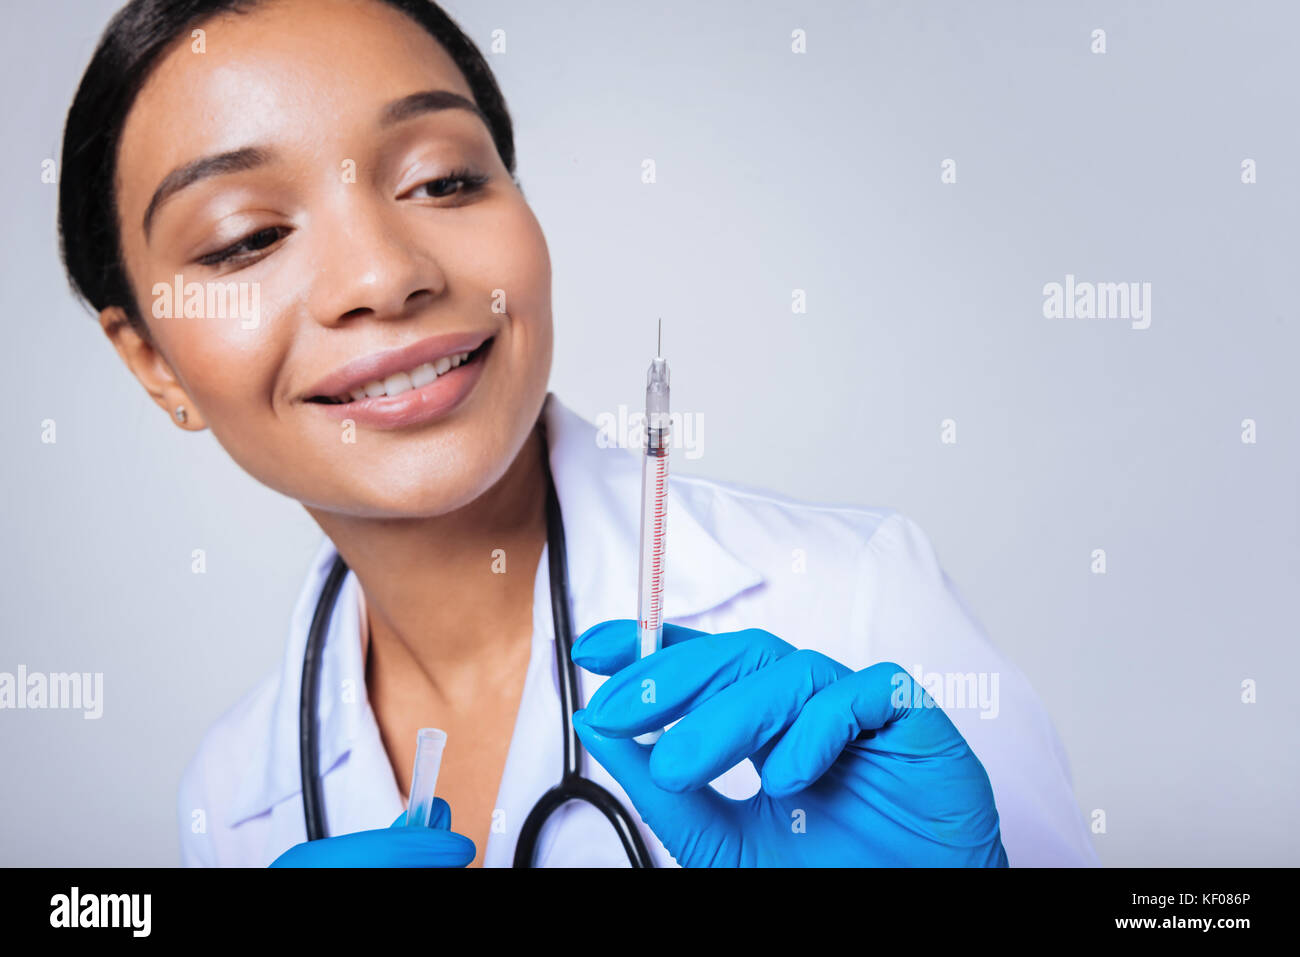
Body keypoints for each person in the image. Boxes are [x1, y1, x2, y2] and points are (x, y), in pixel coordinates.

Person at [58, 0, 1098, 867]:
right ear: (153, 362)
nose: (385, 274)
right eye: (250, 236)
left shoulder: (853, 609)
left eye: (442, 180)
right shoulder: (236, 795)